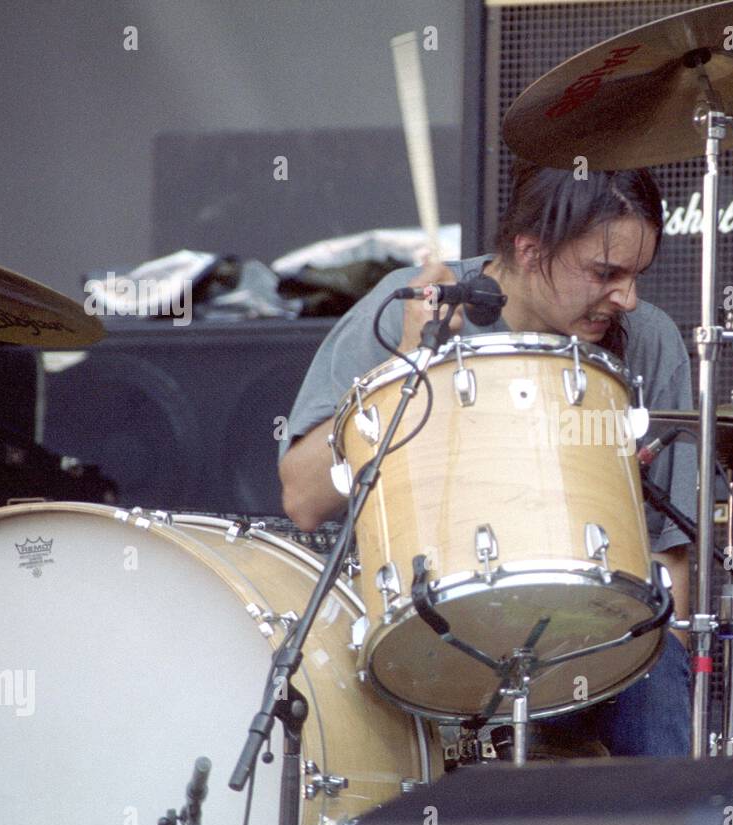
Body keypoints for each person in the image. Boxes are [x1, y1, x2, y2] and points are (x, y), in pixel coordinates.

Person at [278, 158, 697, 756]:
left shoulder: (651, 341)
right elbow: (302, 499)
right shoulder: (410, 306)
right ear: (529, 252)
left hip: (589, 632)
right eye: (605, 273)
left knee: (658, 670)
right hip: (430, 626)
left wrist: (663, 642)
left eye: (636, 276)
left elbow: (668, 562)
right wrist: (405, 359)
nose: (626, 298)